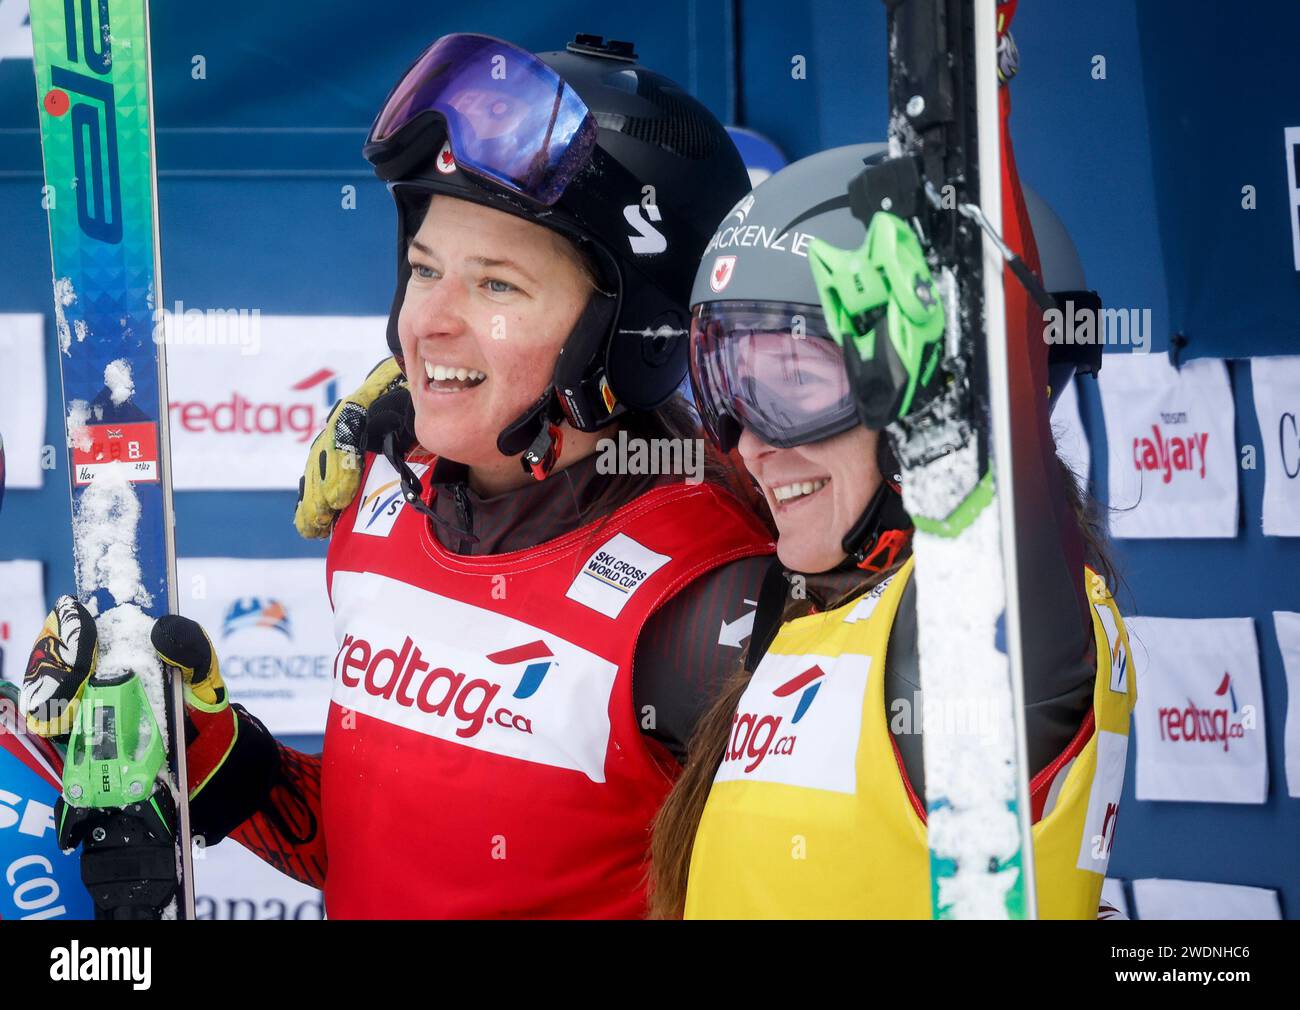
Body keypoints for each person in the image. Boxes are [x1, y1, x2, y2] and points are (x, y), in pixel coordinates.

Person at [20, 33, 775, 919]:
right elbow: (366, 857)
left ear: (631, 330)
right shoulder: (382, 506)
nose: (431, 322)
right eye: (424, 269)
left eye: (497, 286)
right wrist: (208, 755)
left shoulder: (709, 606)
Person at [648, 143, 1137, 919]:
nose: (750, 444)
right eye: (732, 388)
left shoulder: (993, 629)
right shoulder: (812, 616)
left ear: (939, 393)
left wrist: (954, 75)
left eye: (797, 385)